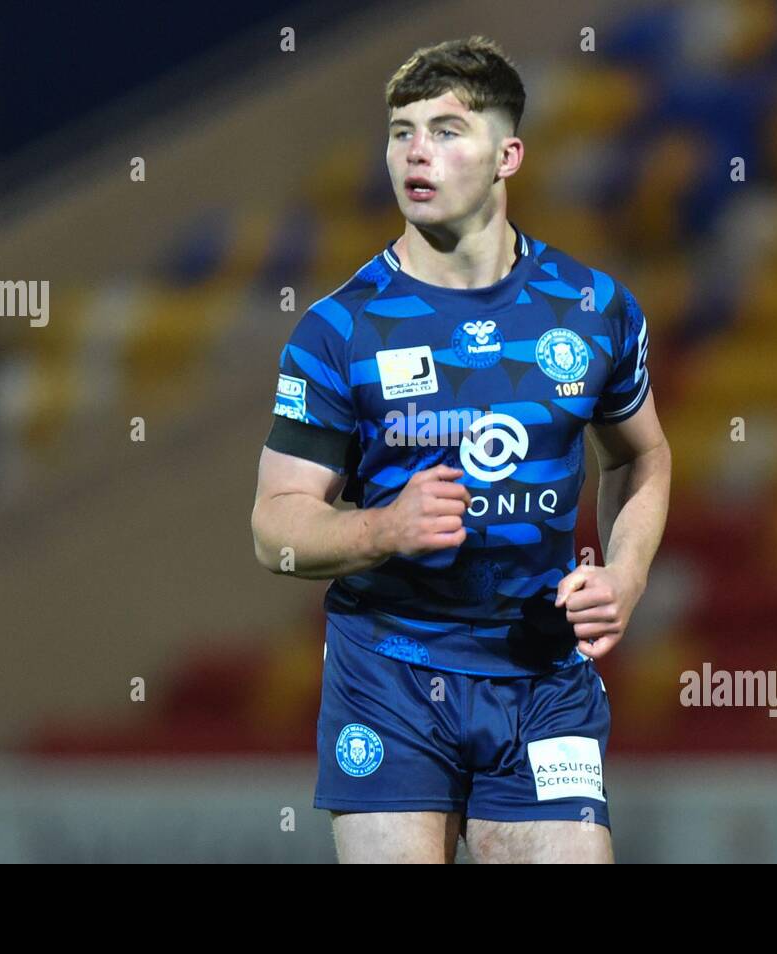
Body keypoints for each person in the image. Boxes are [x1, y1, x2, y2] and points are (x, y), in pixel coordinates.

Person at [251, 36, 671, 863]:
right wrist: (381, 529)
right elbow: (275, 528)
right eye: (401, 131)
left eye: (446, 131)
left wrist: (625, 574)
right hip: (391, 673)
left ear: (508, 154)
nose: (416, 151)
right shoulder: (339, 330)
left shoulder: (591, 309)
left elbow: (641, 457)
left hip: (543, 674)